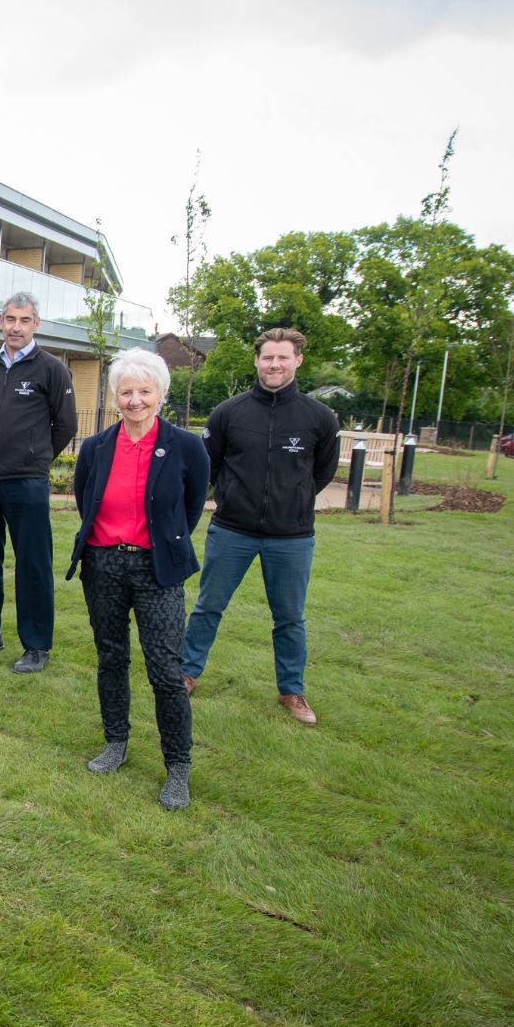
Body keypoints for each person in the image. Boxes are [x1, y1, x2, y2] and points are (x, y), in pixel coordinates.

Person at [65, 350, 211, 811]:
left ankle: (178, 765)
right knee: (111, 657)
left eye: (144, 391)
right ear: (113, 397)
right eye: (126, 391)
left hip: (157, 570)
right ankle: (116, 743)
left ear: (161, 394)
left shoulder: (186, 447)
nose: (135, 400)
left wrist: (161, 544)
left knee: (166, 671)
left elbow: (189, 509)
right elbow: (84, 496)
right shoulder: (95, 447)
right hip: (103, 565)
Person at [181, 327, 341, 724]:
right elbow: (208, 467)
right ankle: (185, 674)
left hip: (292, 537)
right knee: (208, 606)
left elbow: (321, 473)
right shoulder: (228, 413)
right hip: (232, 530)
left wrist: (292, 501)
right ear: (256, 360)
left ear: (298, 360)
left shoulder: (319, 418)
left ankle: (291, 691)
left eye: (283, 357)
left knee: (290, 617)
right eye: (268, 357)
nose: (274, 364)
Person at [0, 291, 77, 674]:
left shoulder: (51, 370)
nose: (16, 327)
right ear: (0, 321)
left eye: (24, 321)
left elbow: (67, 425)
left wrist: (35, 459)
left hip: (26, 483)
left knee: (33, 564)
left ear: (36, 325)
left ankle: (37, 645)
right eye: (10, 319)